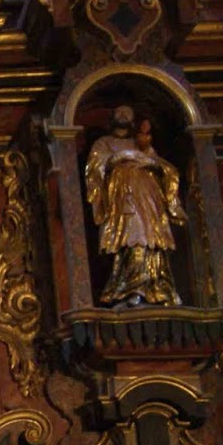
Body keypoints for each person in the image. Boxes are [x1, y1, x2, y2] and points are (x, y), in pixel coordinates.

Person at [84, 105, 187, 307]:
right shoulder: (104, 143)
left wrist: (150, 163)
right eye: (119, 111)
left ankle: (156, 287)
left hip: (148, 198)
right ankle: (131, 288)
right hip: (123, 199)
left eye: (128, 112)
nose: (123, 114)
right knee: (132, 237)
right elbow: (95, 168)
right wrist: (118, 158)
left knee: (152, 238)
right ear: (112, 117)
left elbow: (162, 166)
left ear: (133, 120)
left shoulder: (140, 143)